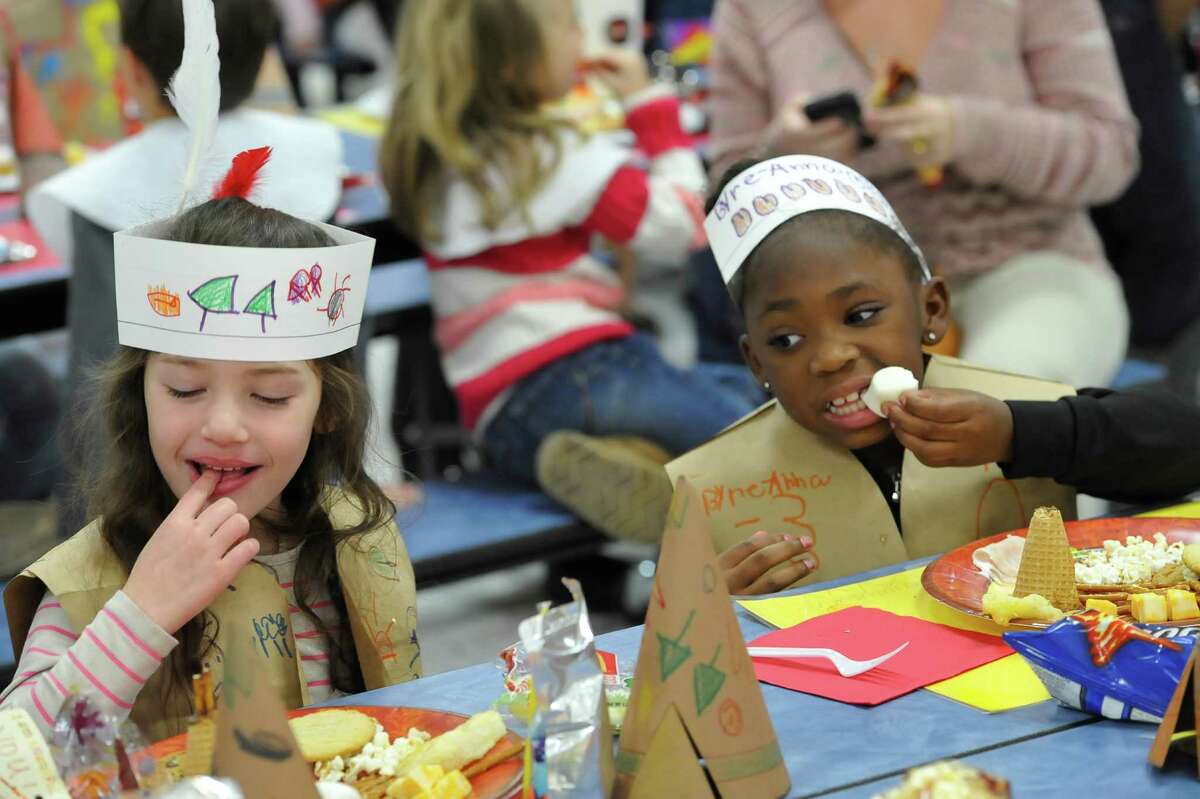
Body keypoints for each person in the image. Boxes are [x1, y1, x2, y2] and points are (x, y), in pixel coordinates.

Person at [0, 153, 420, 741]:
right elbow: (12, 759)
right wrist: (142, 611)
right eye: (185, 388)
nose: (224, 425)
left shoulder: (357, 536)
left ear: (326, 408)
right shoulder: (94, 577)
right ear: (139, 397)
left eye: (270, 396)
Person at [687, 156, 1200, 596]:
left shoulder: (1002, 407)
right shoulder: (717, 488)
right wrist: (712, 612)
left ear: (931, 309)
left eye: (862, 314)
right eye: (787, 341)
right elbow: (670, 676)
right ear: (756, 363)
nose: (831, 357)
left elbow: (1183, 445)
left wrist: (1021, 432)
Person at [379, 0, 762, 543]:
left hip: (502, 420)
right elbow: (687, 221)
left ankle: (620, 462)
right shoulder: (550, 153)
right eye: (567, 25)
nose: (581, 40)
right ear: (516, 59)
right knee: (747, 423)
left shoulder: (429, 151)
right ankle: (671, 487)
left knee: (723, 388)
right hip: (586, 371)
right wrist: (647, 105)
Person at [27, 0, 344, 534]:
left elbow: (96, 381)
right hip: (292, 488)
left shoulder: (103, 193)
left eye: (268, 394)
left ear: (129, 67)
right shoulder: (312, 160)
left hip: (142, 509)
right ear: (263, 52)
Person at [707, 0, 1138, 389]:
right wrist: (784, 161)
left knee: (992, 414)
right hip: (840, 293)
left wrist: (967, 132)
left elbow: (1109, 154)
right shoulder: (751, 10)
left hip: (1033, 264)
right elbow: (723, 206)